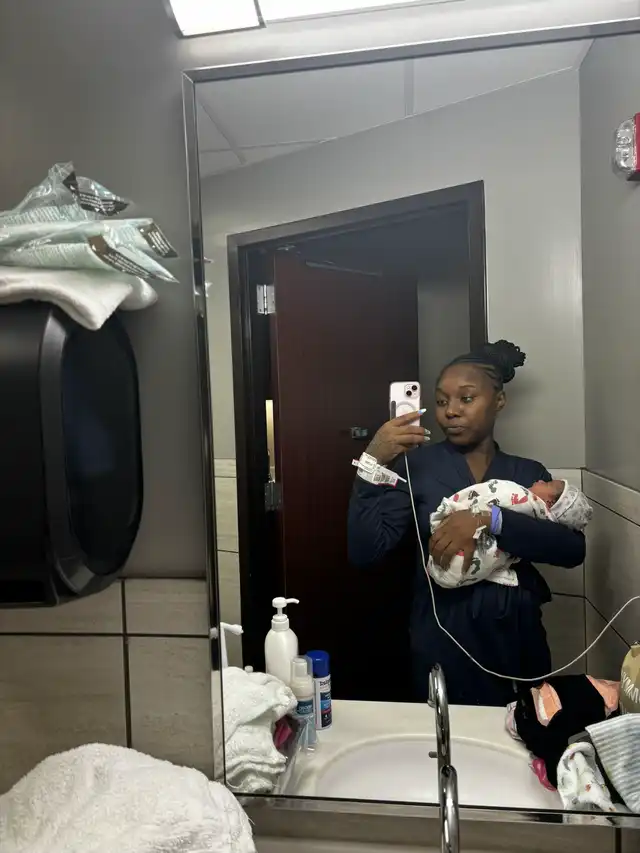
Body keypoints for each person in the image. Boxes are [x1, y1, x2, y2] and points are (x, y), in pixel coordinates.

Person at [347, 340, 585, 706]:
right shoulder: (418, 467)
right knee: (444, 735)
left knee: (520, 736)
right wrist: (371, 463)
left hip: (516, 639)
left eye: (466, 398)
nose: (451, 412)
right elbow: (366, 551)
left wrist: (491, 518)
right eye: (441, 402)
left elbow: (571, 550)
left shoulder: (527, 474)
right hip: (443, 637)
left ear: (499, 400)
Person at [427, 476, 592, 589]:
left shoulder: (529, 471)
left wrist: (490, 519)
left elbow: (574, 548)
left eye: (546, 483)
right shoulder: (423, 467)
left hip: (509, 611)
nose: (540, 481)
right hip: (438, 605)